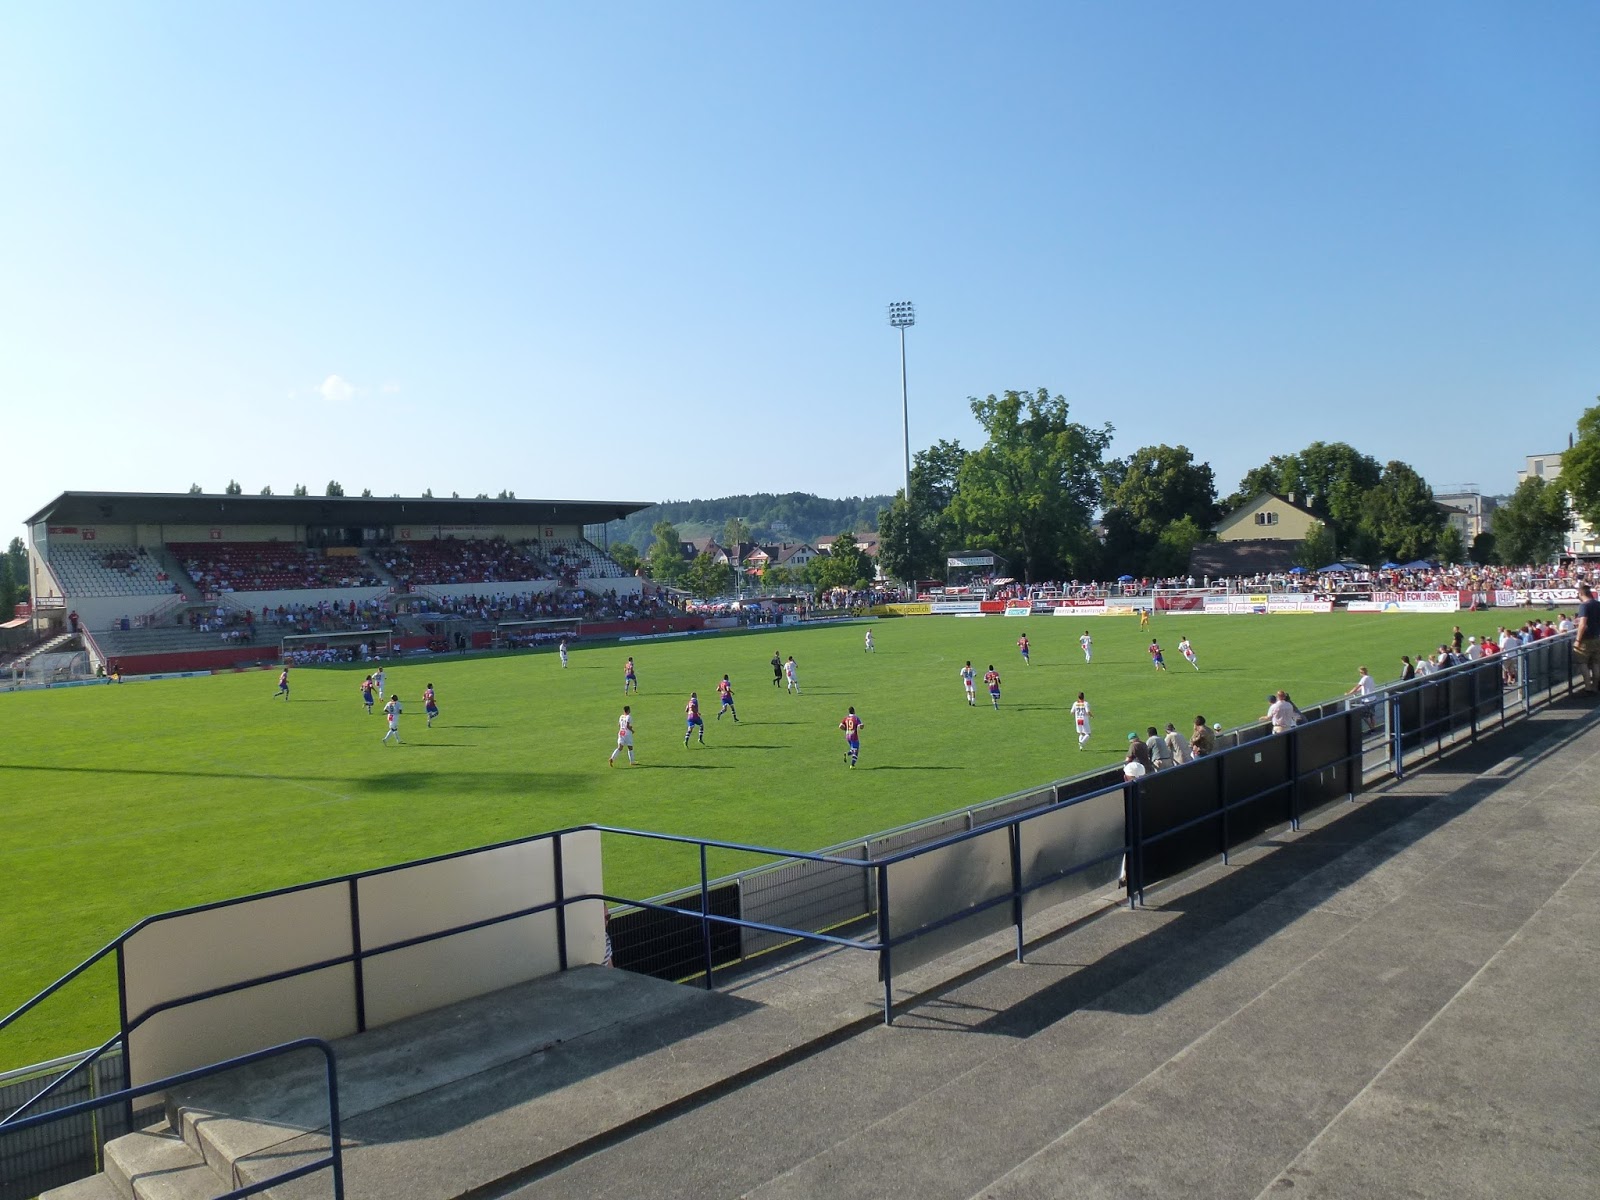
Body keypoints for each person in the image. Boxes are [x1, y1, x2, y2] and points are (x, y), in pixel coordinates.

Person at [1575, 581, 1600, 693]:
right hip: (1597, 637)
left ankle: (1588, 687)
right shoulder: (1597, 604)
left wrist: (1577, 640)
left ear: (1581, 594)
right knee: (1596, 663)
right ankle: (1595, 686)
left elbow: (1583, 624)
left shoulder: (1584, 606)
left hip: (1586, 639)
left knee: (1583, 663)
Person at [1345, 666, 1378, 731]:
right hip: (1373, 698)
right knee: (1372, 715)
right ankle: (1373, 729)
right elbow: (1362, 688)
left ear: (1362, 672)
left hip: (1367, 700)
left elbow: (1357, 686)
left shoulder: (1364, 679)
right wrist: (1354, 692)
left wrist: (1349, 693)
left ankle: (1372, 728)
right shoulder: (1371, 677)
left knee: (1365, 716)